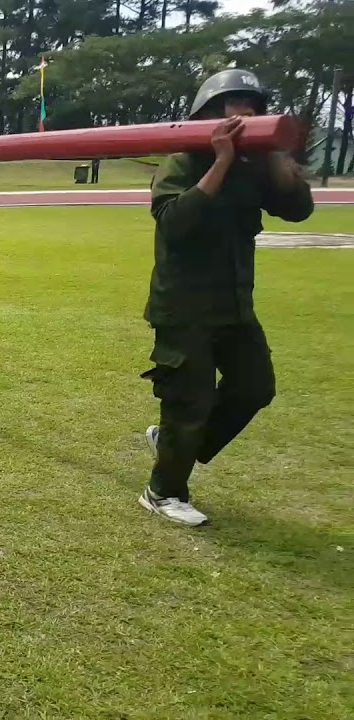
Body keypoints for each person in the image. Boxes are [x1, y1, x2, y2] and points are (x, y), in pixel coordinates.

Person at [139, 69, 313, 526]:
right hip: (184, 307)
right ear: (212, 113)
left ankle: (176, 443)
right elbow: (175, 224)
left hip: (235, 305)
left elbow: (298, 210)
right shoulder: (183, 160)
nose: (248, 113)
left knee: (255, 387)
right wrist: (219, 161)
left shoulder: (256, 167)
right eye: (236, 103)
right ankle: (163, 491)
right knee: (188, 401)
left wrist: (275, 155)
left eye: (254, 104)